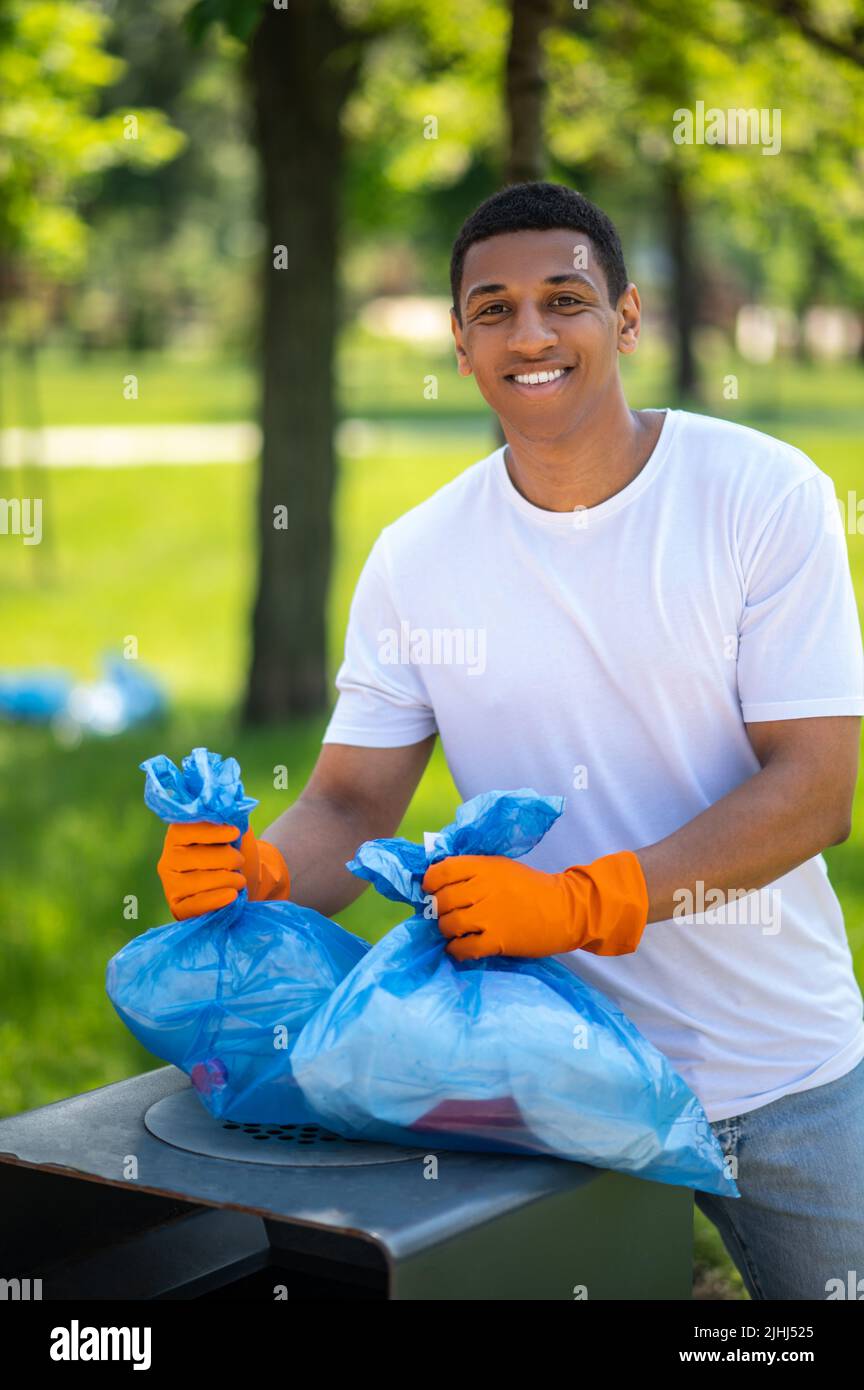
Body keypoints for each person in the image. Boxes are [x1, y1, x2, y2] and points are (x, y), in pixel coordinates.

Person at [157, 181, 864, 1300]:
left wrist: (584, 902)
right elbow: (348, 802)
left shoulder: (761, 495)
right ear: (460, 341)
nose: (529, 333)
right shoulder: (418, 555)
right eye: (493, 309)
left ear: (627, 317)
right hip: (531, 1081)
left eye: (563, 299)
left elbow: (816, 788)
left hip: (778, 1069)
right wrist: (262, 871)